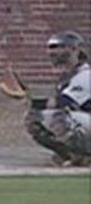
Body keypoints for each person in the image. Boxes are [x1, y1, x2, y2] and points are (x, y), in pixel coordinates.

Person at [25, 31, 91, 166]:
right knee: (34, 117)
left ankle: (86, 154)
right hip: (84, 120)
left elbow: (64, 102)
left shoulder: (86, 74)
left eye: (60, 47)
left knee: (59, 117)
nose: (54, 52)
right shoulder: (66, 77)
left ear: (75, 50)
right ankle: (70, 155)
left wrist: (31, 101)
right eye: (52, 48)